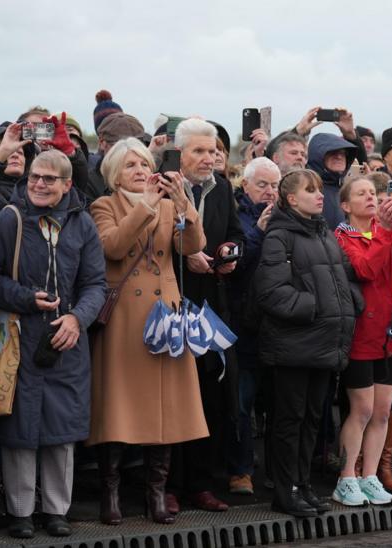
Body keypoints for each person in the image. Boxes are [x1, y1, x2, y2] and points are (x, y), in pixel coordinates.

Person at [0, 150, 106, 538]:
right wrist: (23, 298)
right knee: (19, 429)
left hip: (65, 339)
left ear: (67, 184)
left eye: (50, 179)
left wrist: (77, 318)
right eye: (36, 176)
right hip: (20, 338)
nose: (39, 183)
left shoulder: (82, 224)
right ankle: (19, 513)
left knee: (61, 429)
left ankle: (56, 510)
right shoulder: (9, 219)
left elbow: (95, 284)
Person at [87, 138, 207, 525]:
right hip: (125, 319)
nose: (140, 171)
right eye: (130, 166)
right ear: (113, 174)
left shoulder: (171, 204)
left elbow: (192, 245)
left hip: (166, 318)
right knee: (117, 408)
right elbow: (115, 247)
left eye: (143, 163)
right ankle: (111, 492)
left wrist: (184, 202)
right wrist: (146, 205)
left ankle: (157, 492)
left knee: (165, 407)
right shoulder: (103, 206)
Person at [253, 169, 360, 517]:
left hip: (324, 343)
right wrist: (317, 308)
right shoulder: (279, 236)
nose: (319, 195)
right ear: (290, 199)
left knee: (313, 419)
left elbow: (344, 276)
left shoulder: (324, 233)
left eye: (319, 189)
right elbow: (271, 292)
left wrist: (351, 305)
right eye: (309, 190)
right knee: (289, 421)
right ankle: (286, 491)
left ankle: (304, 485)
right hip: (294, 345)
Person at [333, 176, 392, 504]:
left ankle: (370, 475)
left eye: (373, 192)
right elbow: (365, 269)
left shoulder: (386, 230)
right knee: (361, 410)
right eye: (362, 193)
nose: (371, 197)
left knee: (383, 412)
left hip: (390, 335)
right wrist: (386, 231)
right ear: (346, 205)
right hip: (361, 336)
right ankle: (346, 478)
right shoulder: (342, 238)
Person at [169, 118, 244, 513]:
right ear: (178, 154)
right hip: (170, 302)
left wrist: (231, 253)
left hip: (210, 303)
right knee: (172, 396)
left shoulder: (222, 189)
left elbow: (236, 232)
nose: (208, 158)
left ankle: (200, 483)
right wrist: (185, 252)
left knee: (209, 396)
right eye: (198, 151)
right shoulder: (162, 186)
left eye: (212, 151)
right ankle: (167, 484)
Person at [226, 157, 280, 496]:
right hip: (244, 322)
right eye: (263, 185)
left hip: (279, 324)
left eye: (275, 185)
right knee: (241, 404)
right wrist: (260, 231)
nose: (270, 192)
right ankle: (240, 470)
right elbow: (236, 261)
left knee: (279, 405)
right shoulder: (236, 213)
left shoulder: (290, 214)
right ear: (245, 185)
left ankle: (279, 473)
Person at [307, 133, 359, 229]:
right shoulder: (306, 188)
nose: (339, 157)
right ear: (318, 156)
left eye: (343, 153)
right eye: (333, 153)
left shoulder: (348, 191)